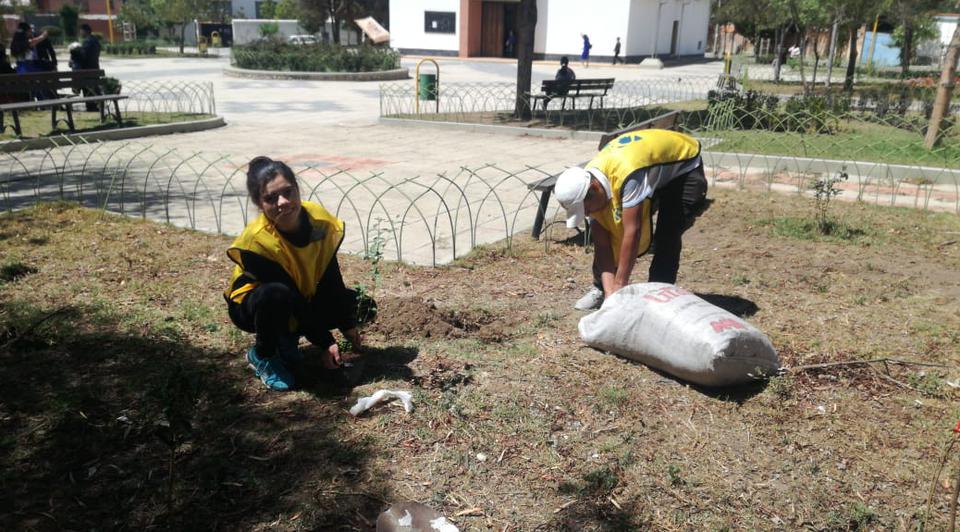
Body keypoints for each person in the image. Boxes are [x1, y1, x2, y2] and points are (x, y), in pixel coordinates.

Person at [224, 157, 364, 391]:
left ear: (298, 189)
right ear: (259, 203)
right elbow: (290, 296)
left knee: (360, 304)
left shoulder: (318, 221)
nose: (283, 202)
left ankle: (287, 338)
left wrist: (347, 324)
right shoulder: (256, 241)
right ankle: (263, 354)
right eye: (271, 198)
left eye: (288, 192)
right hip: (255, 305)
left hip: (299, 292)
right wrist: (325, 341)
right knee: (276, 295)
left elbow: (330, 277)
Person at [555, 129, 708, 310]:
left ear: (594, 189)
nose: (587, 214)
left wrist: (619, 287)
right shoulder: (587, 184)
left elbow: (632, 233)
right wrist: (609, 290)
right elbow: (603, 245)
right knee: (610, 228)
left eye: (586, 209)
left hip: (684, 167)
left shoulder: (627, 176)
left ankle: (659, 295)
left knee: (668, 232)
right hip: (650, 169)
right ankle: (600, 289)